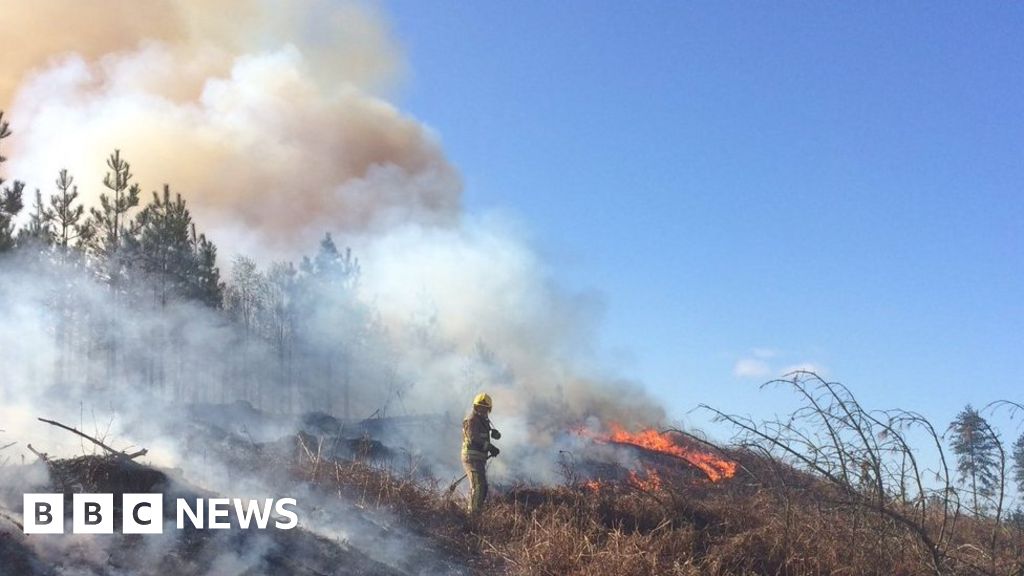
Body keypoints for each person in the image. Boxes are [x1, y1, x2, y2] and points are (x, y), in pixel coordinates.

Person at [461, 392, 501, 514]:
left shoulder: (483, 420)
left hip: (478, 459)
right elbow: (474, 438)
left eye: (485, 408)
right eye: (480, 407)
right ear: (475, 407)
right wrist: (489, 447)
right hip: (471, 458)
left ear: (489, 409)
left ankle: (477, 512)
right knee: (478, 487)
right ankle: (472, 516)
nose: (482, 410)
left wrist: (494, 433)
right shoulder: (471, 419)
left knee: (483, 488)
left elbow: (483, 434)